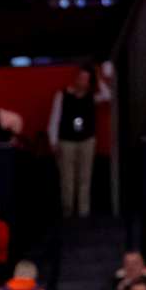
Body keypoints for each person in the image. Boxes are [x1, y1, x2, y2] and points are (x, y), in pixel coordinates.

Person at [50, 65, 102, 219]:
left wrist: (99, 78)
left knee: (85, 177)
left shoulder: (92, 96)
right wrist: (53, 140)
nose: (82, 82)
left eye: (86, 79)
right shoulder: (62, 95)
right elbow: (55, 119)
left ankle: (83, 212)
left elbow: (108, 95)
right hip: (67, 141)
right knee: (67, 178)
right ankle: (68, 211)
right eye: (81, 78)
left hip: (87, 140)